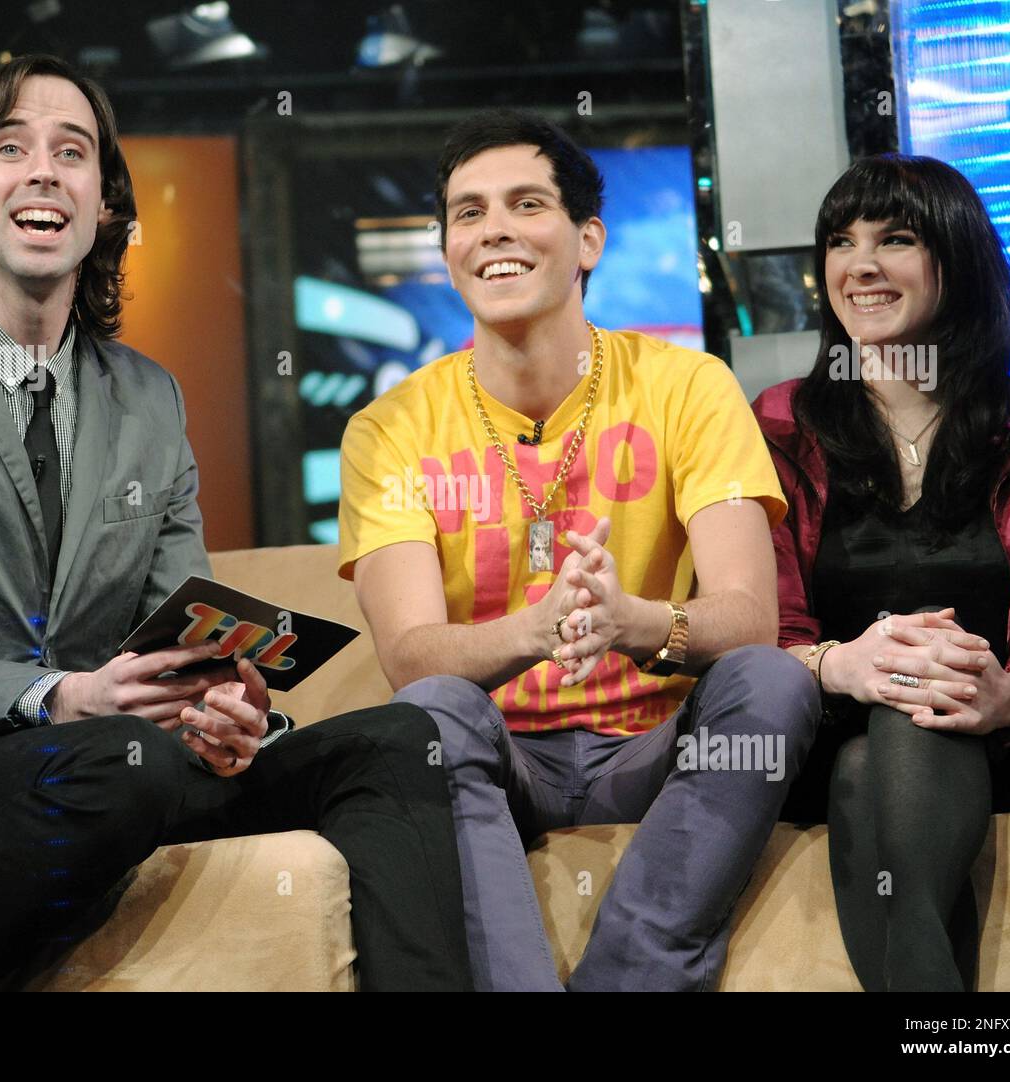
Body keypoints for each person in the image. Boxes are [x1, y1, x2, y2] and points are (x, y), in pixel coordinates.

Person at [0, 54, 471, 992]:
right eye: (9, 147)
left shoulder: (147, 397)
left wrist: (228, 711)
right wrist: (59, 698)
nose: (42, 171)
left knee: (393, 741)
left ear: (103, 203)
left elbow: (180, 635)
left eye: (72, 152)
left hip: (115, 759)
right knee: (123, 757)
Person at [337, 108, 821, 992]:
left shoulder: (688, 386)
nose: (494, 232)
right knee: (434, 712)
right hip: (500, 753)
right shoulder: (390, 428)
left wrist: (630, 622)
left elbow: (752, 617)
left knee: (777, 680)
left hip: (654, 745)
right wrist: (541, 627)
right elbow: (409, 658)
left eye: (526, 204)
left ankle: (630, 976)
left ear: (589, 238)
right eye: (468, 212)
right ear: (447, 247)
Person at [753, 153, 1010, 992]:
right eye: (839, 241)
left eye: (894, 238)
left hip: (1007, 733)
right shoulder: (782, 422)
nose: (859, 264)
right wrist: (848, 665)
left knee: (907, 729)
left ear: (957, 256)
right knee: (882, 738)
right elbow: (774, 627)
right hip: (828, 729)